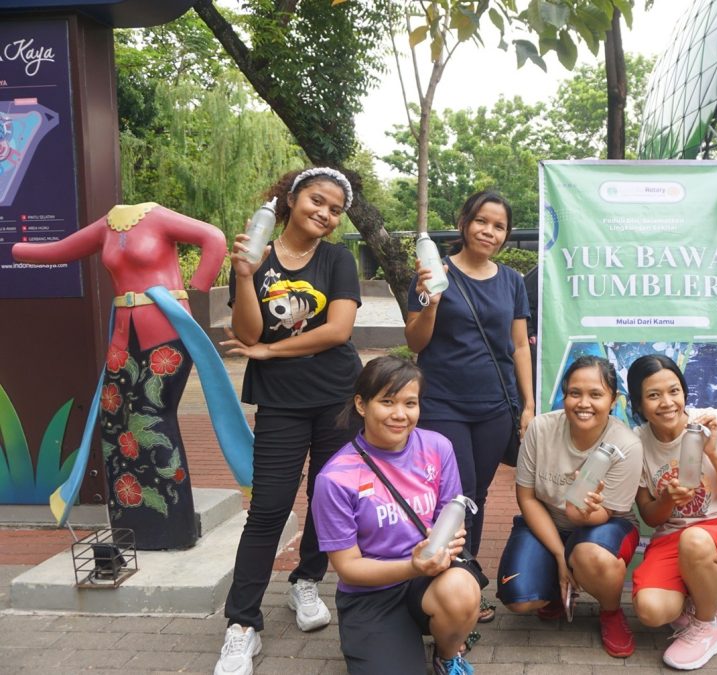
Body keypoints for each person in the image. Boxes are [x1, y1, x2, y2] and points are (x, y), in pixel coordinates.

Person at [12, 204, 233, 550]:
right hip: (123, 337)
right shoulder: (106, 225)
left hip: (166, 333)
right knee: (114, 422)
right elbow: (59, 250)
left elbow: (213, 238)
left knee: (152, 417)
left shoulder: (158, 218)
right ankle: (131, 521)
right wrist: (16, 250)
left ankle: (172, 526)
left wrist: (199, 283)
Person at [215, 168, 362, 675]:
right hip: (279, 402)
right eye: (317, 201)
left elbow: (338, 331)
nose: (325, 213)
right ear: (292, 198)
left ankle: (306, 580)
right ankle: (242, 624)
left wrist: (271, 352)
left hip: (338, 396)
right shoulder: (255, 255)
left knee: (328, 498)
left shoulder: (338, 259)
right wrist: (243, 275)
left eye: (335, 210)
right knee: (269, 507)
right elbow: (247, 332)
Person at [406, 190, 535, 624]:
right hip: (443, 402)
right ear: (464, 222)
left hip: (495, 405)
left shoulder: (512, 282)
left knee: (476, 495)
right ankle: (442, 576)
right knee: (454, 494)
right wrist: (431, 304)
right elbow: (415, 341)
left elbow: (520, 346)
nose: (489, 231)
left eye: (499, 226)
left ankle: (466, 576)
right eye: (482, 221)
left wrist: (528, 404)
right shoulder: (433, 271)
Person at [311, 356, 480, 674]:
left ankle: (447, 656)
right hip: (370, 595)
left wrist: (450, 539)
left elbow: (451, 515)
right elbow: (348, 568)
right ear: (361, 405)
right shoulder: (335, 478)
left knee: (462, 588)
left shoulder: (438, 447)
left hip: (428, 579)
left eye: (410, 403)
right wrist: (411, 566)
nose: (400, 414)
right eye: (387, 402)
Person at [496, 355, 643, 658]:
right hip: (547, 520)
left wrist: (585, 510)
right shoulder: (540, 428)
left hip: (604, 524)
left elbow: (606, 513)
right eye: (575, 393)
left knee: (592, 557)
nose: (584, 403)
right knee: (519, 598)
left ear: (613, 399)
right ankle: (553, 586)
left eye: (596, 394)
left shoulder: (626, 444)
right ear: (564, 396)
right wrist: (559, 557)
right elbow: (527, 498)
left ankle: (611, 612)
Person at [627, 355, 717, 670]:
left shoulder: (713, 423)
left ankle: (707, 624)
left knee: (695, 539)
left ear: (684, 392)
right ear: (639, 404)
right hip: (674, 537)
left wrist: (713, 453)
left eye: (674, 391)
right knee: (651, 611)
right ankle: (695, 595)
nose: (667, 403)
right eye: (653, 395)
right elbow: (650, 517)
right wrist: (667, 500)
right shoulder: (638, 442)